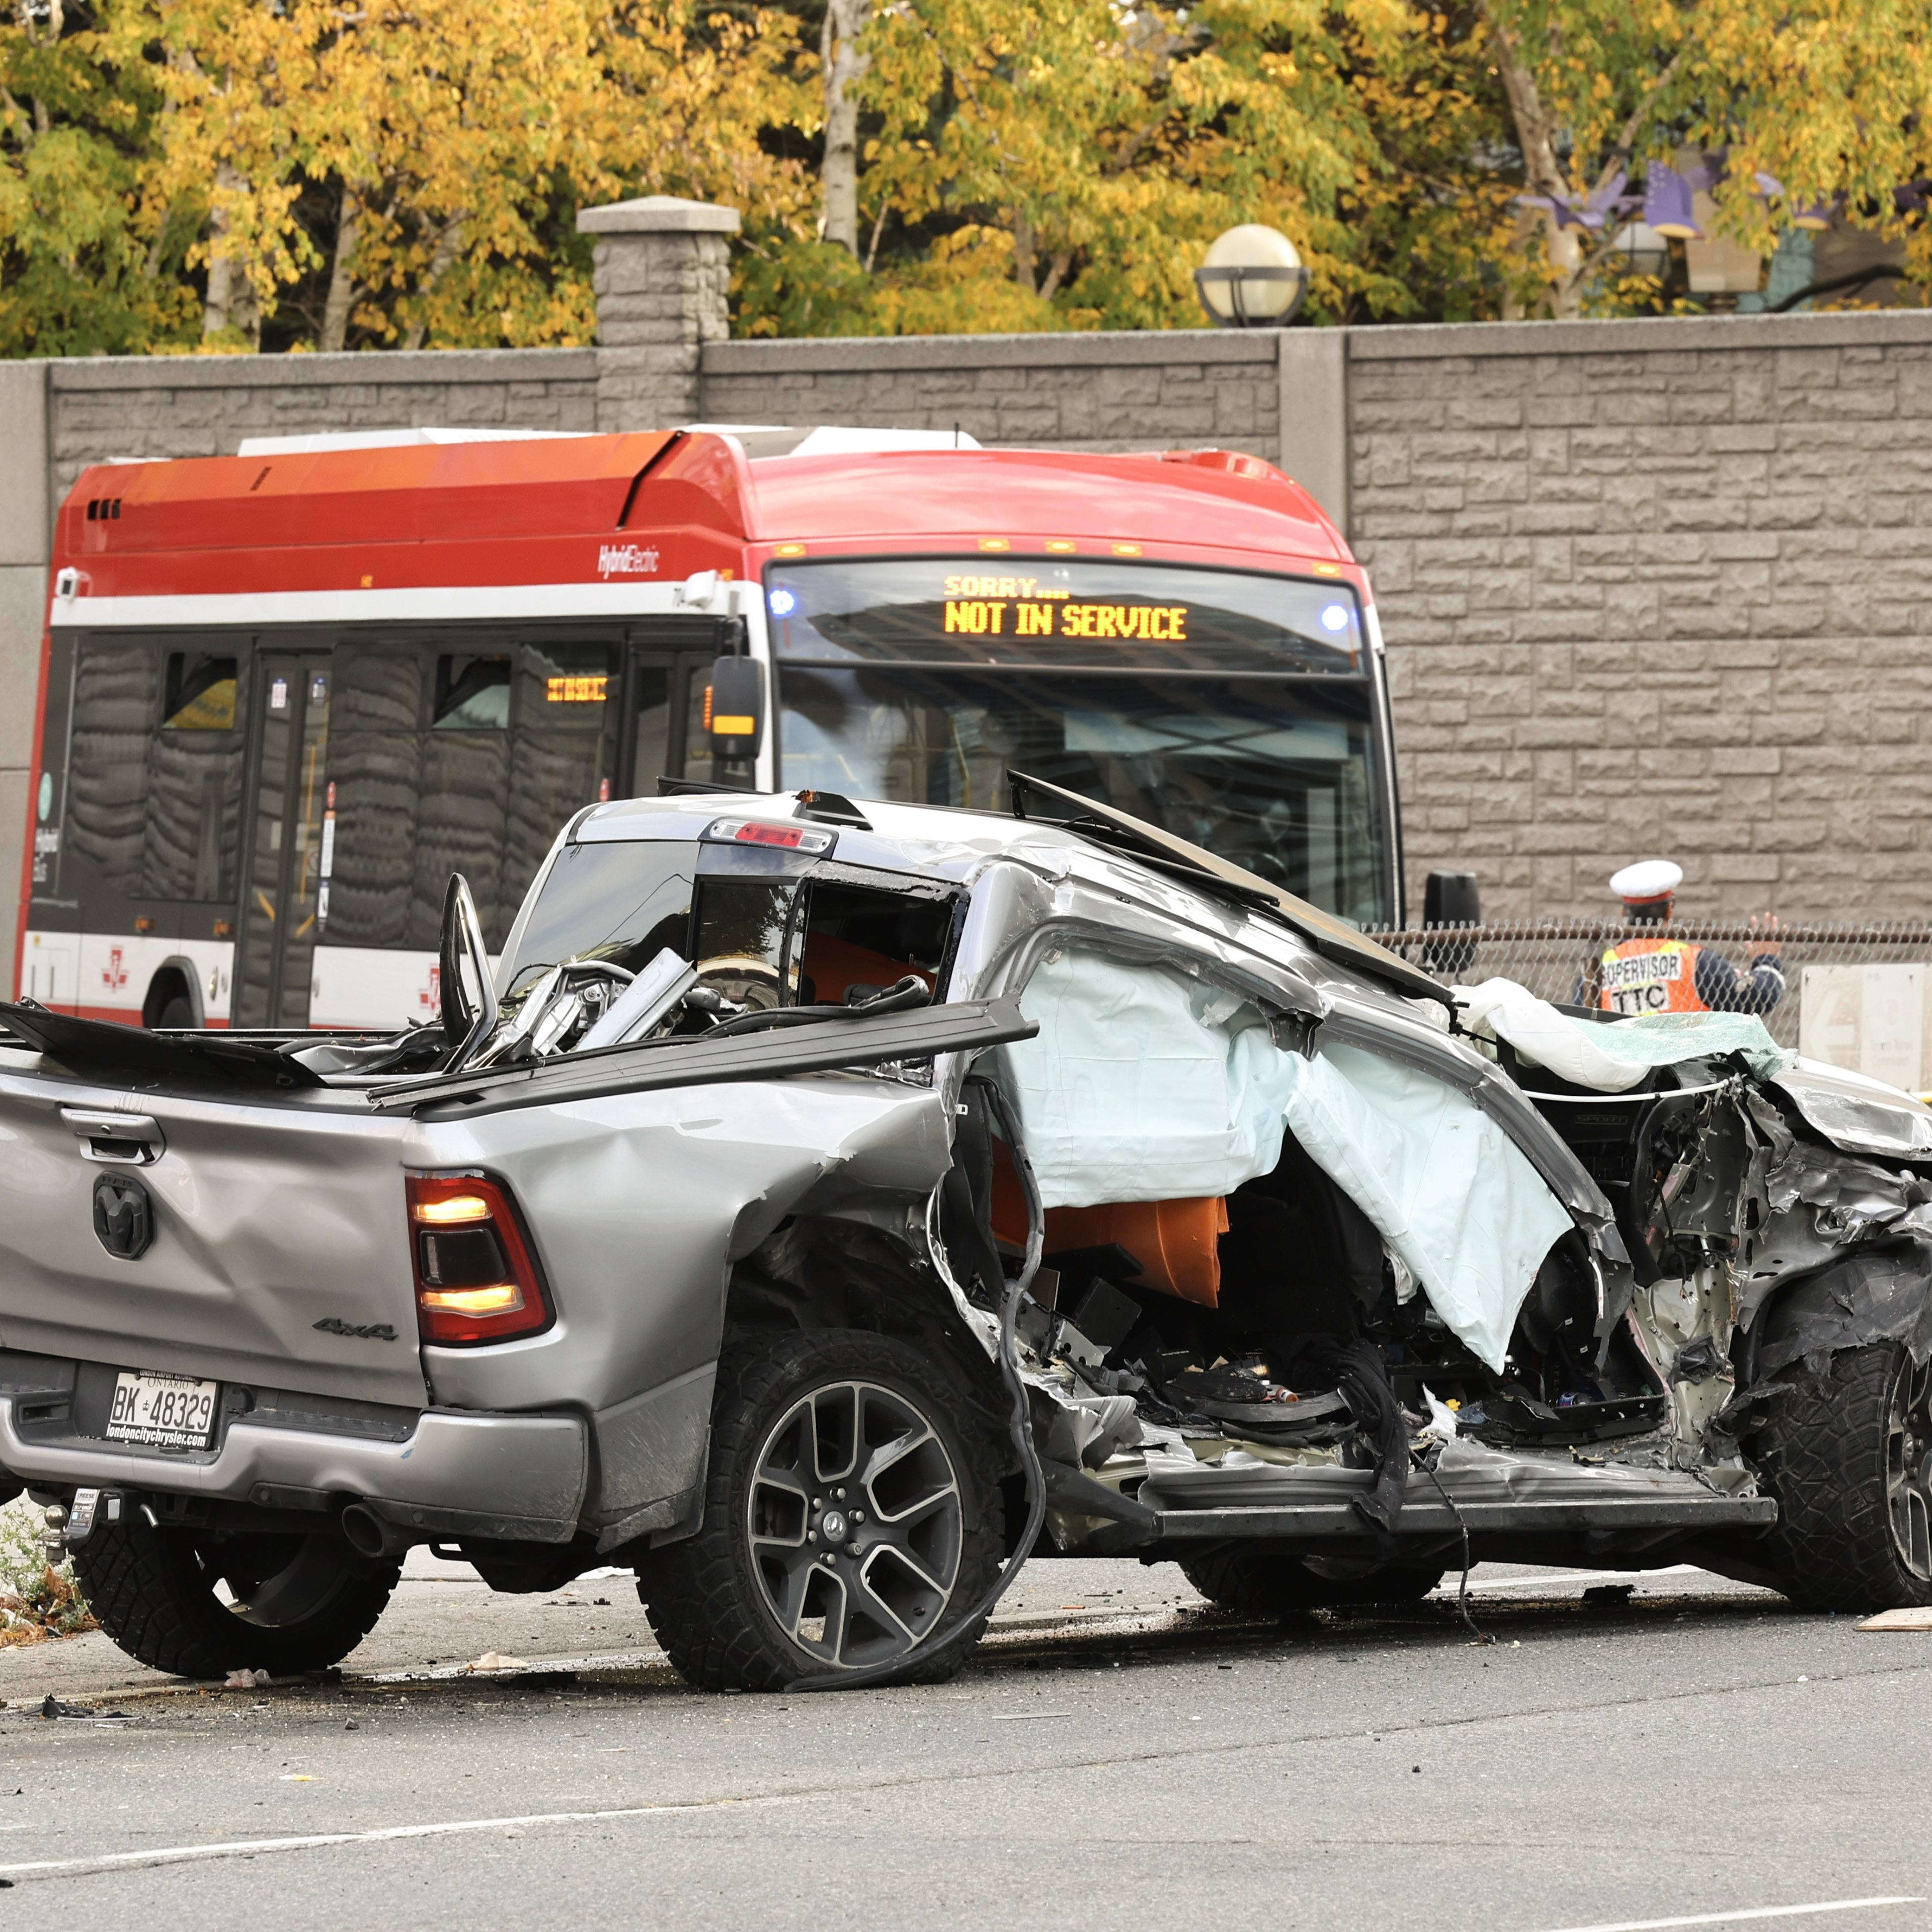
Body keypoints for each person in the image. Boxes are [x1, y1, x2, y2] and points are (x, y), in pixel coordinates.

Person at [1593, 860, 1786, 1016]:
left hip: (1620, 1063)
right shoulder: (1695, 963)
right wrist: (1766, 961)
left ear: (1624, 914)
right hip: (1683, 1064)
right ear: (1669, 910)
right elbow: (1755, 998)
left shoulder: (1599, 971)